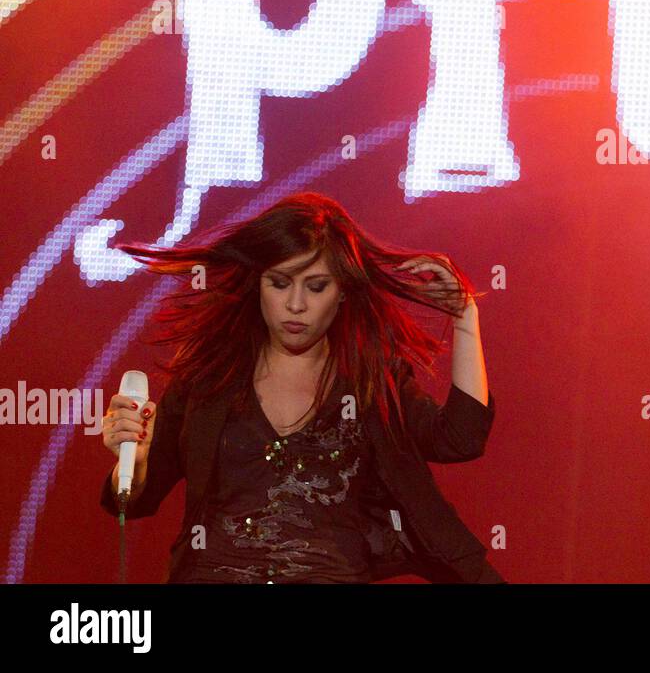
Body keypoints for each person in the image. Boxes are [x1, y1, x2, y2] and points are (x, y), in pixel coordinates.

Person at [98, 191, 503, 583]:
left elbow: (460, 438)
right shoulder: (209, 378)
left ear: (342, 291)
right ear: (257, 284)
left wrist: (464, 317)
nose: (295, 305)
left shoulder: (370, 381)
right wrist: (133, 464)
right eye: (279, 283)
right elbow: (133, 501)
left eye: (315, 286)